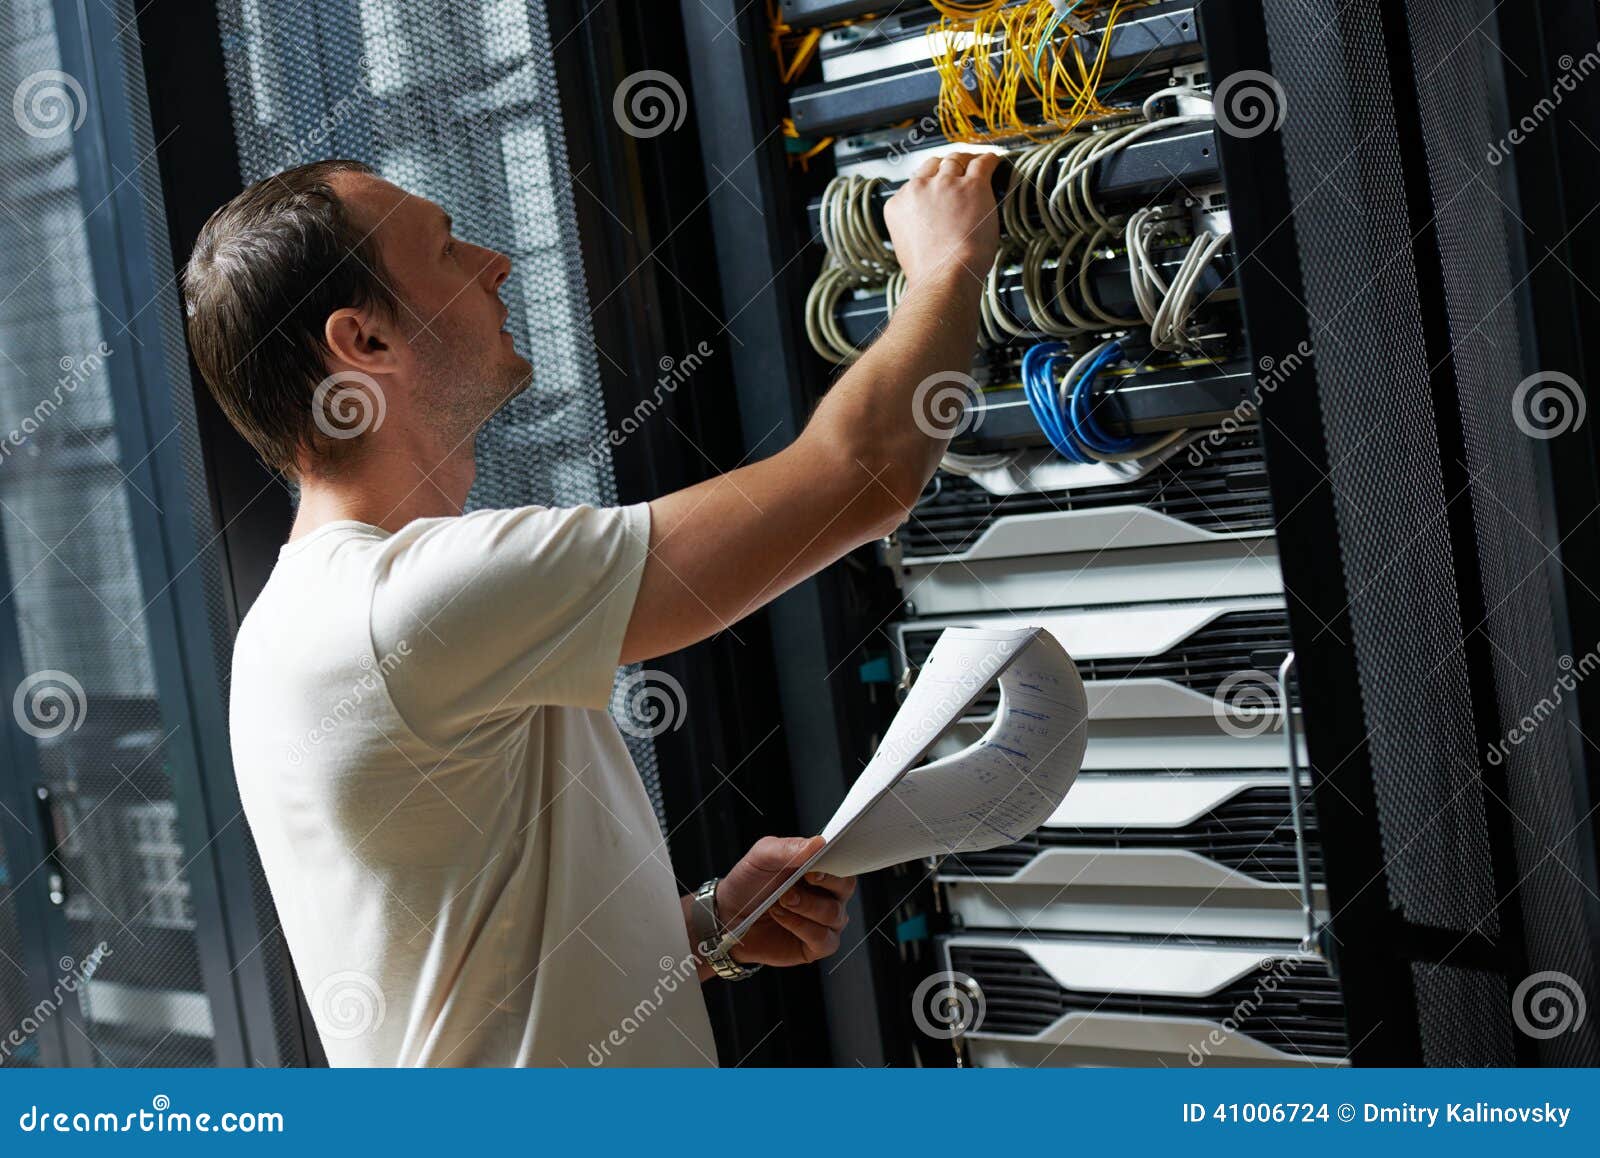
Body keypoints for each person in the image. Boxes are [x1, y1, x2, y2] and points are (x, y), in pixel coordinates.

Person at [181, 150, 1002, 1066]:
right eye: (448, 248)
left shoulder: (295, 621)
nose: (496, 261)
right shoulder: (410, 600)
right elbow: (863, 475)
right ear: (365, 344)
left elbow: (456, 967)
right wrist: (949, 263)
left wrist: (701, 927)